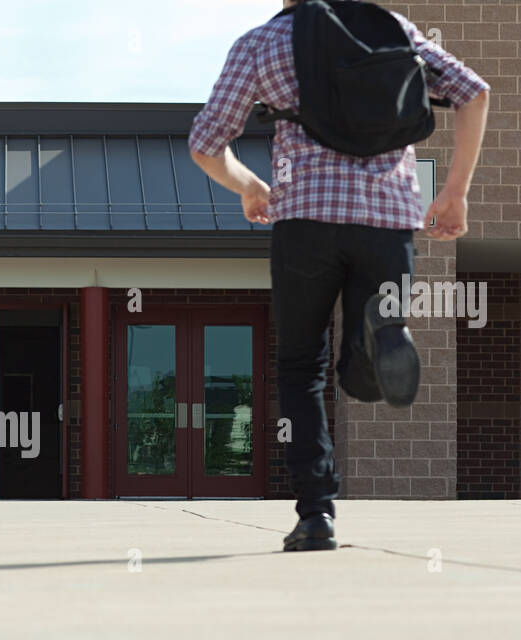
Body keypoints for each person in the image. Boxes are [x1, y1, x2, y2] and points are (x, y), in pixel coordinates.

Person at [189, 0, 490, 551]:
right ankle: (376, 339)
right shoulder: (392, 29)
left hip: (306, 220)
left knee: (301, 366)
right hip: (390, 223)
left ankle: (316, 514)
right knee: (361, 364)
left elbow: (206, 144)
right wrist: (454, 193)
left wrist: (251, 187)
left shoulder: (262, 42)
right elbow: (475, 92)